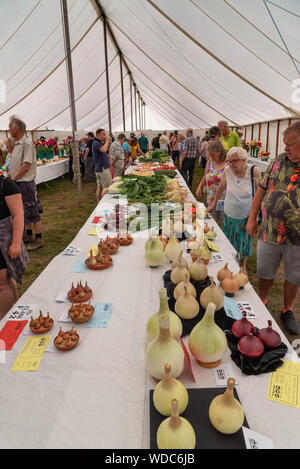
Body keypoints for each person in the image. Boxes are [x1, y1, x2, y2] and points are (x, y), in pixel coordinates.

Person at [246, 121, 300, 334]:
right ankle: (262, 299)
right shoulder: (279, 160)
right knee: (264, 271)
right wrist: (252, 219)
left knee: (295, 276)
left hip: (297, 238)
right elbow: (261, 190)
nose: (285, 148)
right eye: (284, 143)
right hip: (270, 230)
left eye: (291, 144)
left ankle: (287, 310)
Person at [207, 147, 261, 273]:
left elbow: (260, 193)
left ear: (243, 160)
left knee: (245, 242)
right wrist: (213, 204)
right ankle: (230, 262)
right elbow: (221, 188)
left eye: (234, 161)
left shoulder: (254, 171)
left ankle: (243, 265)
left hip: (246, 215)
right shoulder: (227, 170)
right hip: (230, 213)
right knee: (230, 240)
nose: (231, 164)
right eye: (229, 161)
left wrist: (258, 214)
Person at [9, 115, 45, 251]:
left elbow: (26, 166)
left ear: (17, 129)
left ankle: (39, 238)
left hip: (25, 182)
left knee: (32, 209)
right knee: (24, 210)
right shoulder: (17, 143)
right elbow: (16, 165)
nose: (9, 130)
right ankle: (29, 235)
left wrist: (12, 179)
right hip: (18, 182)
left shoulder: (26, 143)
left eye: (10, 127)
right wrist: (9, 176)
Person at [0, 174, 29, 319]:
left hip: (3, 239)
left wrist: (16, 243)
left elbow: (18, 214)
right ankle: (14, 306)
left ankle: (3, 321)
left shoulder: (6, 184)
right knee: (7, 278)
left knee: (2, 284)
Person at [196, 141, 227, 225]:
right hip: (211, 198)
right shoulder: (209, 162)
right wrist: (200, 186)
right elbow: (206, 175)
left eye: (213, 155)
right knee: (212, 223)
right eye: (210, 154)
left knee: (225, 225)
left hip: (224, 200)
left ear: (219, 152)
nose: (211, 157)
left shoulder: (227, 164)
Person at [92, 129, 111, 203]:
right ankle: (104, 204)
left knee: (99, 187)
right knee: (106, 188)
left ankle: (99, 203)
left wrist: (106, 142)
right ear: (98, 135)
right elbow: (103, 149)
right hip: (102, 168)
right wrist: (107, 141)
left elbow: (104, 150)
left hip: (99, 168)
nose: (105, 136)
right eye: (103, 134)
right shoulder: (96, 143)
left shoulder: (97, 142)